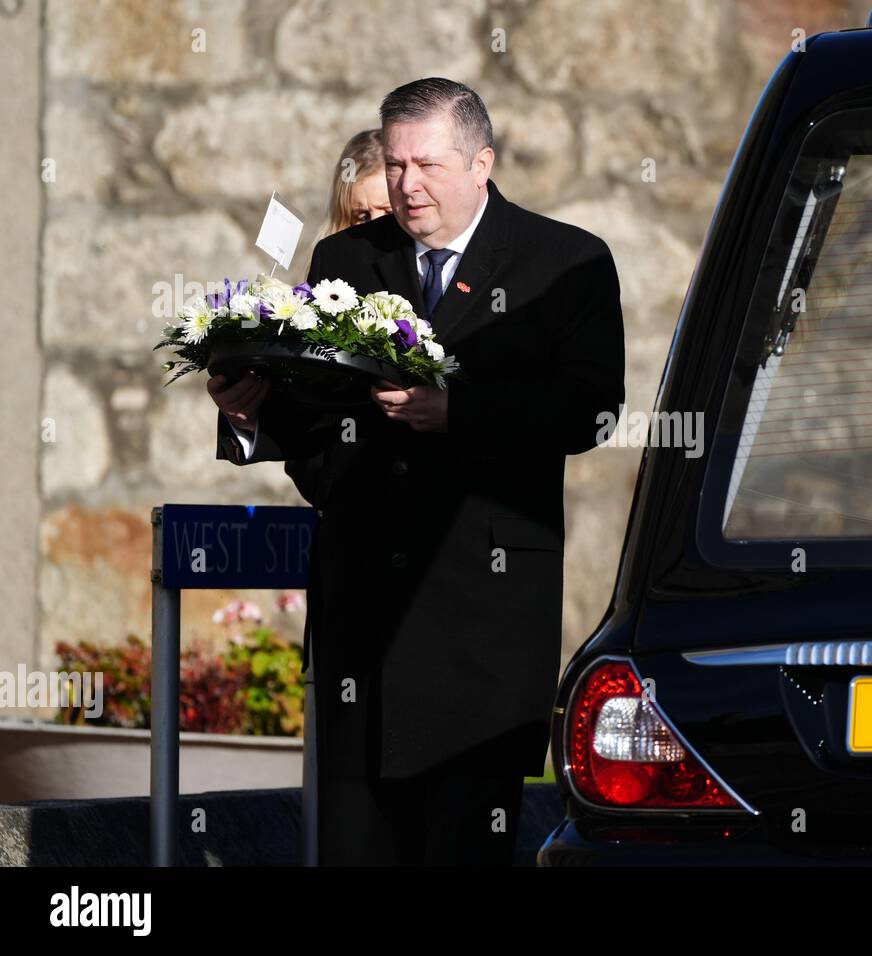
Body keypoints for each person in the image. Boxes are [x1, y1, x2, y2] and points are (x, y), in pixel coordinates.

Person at [207, 77, 625, 865]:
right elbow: (319, 418)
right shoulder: (347, 256)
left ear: (481, 163)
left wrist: (457, 414)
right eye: (395, 165)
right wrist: (251, 409)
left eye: (426, 164)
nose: (407, 184)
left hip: (483, 636)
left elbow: (591, 412)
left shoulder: (563, 262)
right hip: (361, 627)